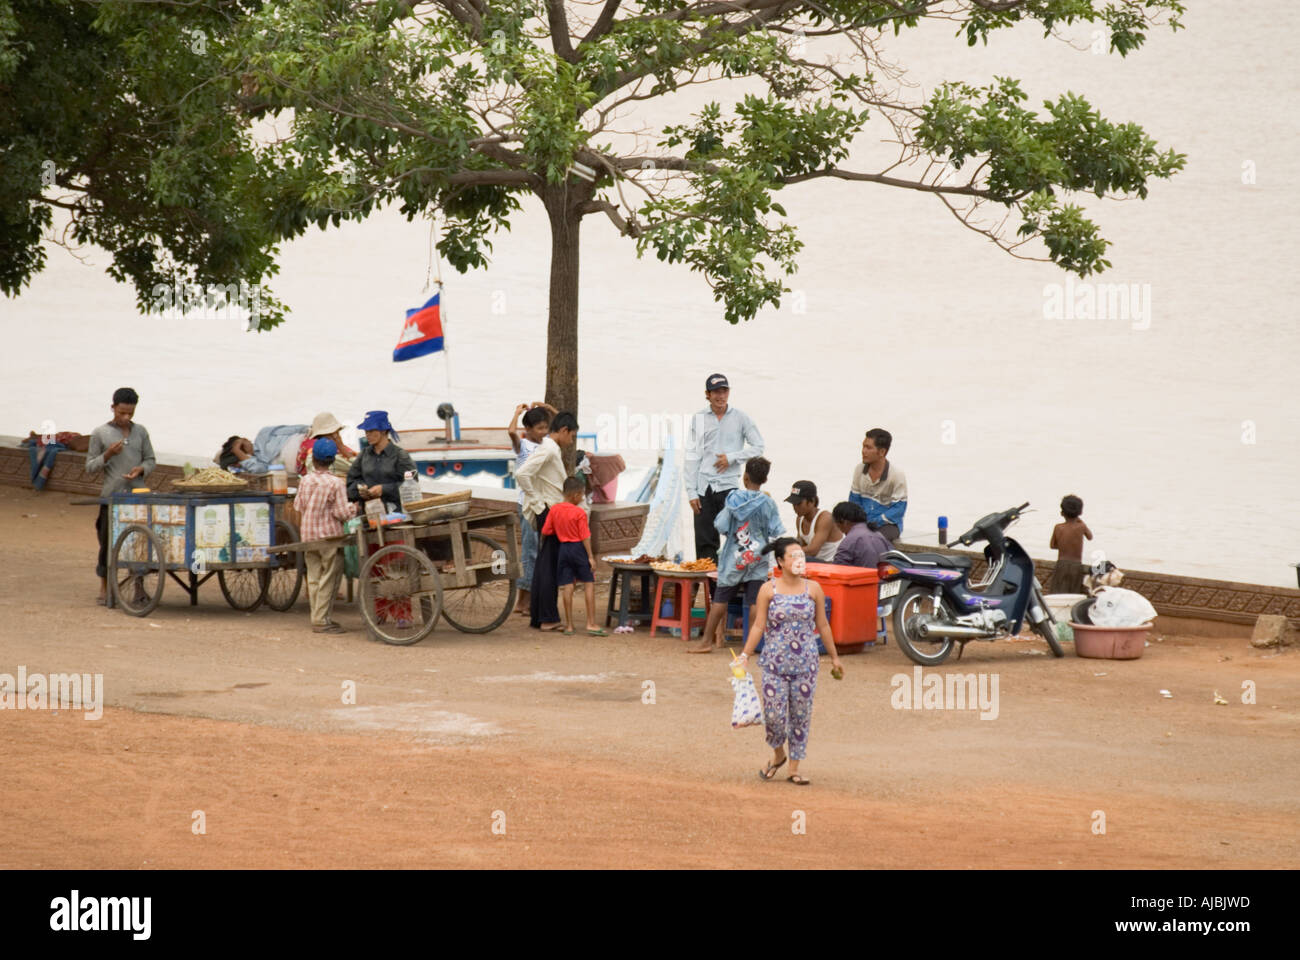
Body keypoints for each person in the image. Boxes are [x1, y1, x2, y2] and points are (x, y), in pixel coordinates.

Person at [736, 537, 841, 786]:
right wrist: (744, 656)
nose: (799, 560)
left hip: (806, 665)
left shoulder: (813, 589)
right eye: (793, 556)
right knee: (773, 716)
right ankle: (778, 755)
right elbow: (759, 625)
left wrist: (835, 657)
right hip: (774, 664)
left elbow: (823, 625)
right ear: (781, 561)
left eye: (801, 555)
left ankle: (794, 768)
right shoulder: (767, 589)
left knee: (800, 715)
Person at [689, 457, 784, 654]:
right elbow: (776, 530)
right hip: (758, 557)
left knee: (720, 600)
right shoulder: (768, 502)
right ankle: (750, 646)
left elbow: (721, 525)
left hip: (734, 557)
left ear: (745, 477)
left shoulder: (733, 499)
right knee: (754, 602)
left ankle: (706, 641)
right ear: (765, 480)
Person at [86, 387, 156, 604]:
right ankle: (105, 588)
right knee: (108, 544)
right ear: (113, 408)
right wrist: (107, 454)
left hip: (137, 496)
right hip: (112, 497)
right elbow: (89, 467)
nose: (126, 418)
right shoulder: (100, 433)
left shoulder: (141, 432)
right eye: (121, 413)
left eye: (130, 414)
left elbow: (151, 459)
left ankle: (138, 589)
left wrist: (140, 470)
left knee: (139, 544)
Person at [684, 373, 764, 562]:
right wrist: (691, 492)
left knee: (737, 539)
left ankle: (731, 588)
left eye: (724, 391)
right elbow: (692, 456)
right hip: (704, 488)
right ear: (707, 394)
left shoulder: (741, 418)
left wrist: (732, 458)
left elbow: (758, 447)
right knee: (705, 544)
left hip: (729, 487)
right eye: (715, 392)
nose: (720, 396)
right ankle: (708, 588)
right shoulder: (699, 418)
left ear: (729, 392)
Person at [515, 411, 579, 631]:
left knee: (545, 563)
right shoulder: (550, 448)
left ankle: (540, 616)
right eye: (571, 436)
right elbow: (522, 474)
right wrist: (537, 502)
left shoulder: (550, 448)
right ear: (563, 431)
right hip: (550, 510)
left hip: (550, 510)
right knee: (550, 564)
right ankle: (548, 618)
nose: (571, 441)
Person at [295, 438, 356, 634]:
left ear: (314, 459)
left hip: (308, 536)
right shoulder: (336, 483)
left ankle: (317, 616)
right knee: (329, 577)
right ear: (332, 460)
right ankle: (322, 620)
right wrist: (354, 508)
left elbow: (299, 506)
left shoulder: (305, 480)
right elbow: (341, 513)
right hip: (329, 538)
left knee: (313, 577)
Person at [543, 477, 608, 636]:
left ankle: (570, 625)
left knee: (567, 585)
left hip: (563, 549)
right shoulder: (579, 512)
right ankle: (590, 623)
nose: (582, 498)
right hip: (579, 548)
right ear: (575, 495)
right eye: (582, 495)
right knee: (588, 583)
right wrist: (591, 557)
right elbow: (585, 536)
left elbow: (546, 531)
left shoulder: (554, 510)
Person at [508, 402, 555, 615]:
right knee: (530, 551)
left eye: (545, 427)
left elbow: (562, 424)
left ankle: (528, 599)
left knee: (537, 550)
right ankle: (523, 601)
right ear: (528, 430)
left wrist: (547, 408)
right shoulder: (524, 446)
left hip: (542, 503)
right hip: (527, 503)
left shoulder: (546, 443)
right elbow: (511, 432)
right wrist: (517, 413)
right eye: (539, 428)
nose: (543, 432)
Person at [346, 411, 416, 509]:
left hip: (395, 514)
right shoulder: (363, 455)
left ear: (383, 431)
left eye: (371, 431)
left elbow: (412, 486)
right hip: (369, 514)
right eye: (366, 431)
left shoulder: (400, 456)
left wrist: (384, 489)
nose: (367, 435)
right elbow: (351, 481)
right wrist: (360, 489)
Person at [849, 428, 907, 542]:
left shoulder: (896, 475)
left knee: (871, 539)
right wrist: (861, 522)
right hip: (863, 522)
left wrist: (875, 522)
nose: (863, 451)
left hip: (888, 525)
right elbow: (854, 501)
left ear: (882, 452)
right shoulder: (859, 470)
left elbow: (899, 509)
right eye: (863, 446)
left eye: (868, 448)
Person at [785, 480, 843, 562]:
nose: (795, 507)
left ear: (812, 501)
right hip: (817, 564)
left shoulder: (825, 518)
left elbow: (813, 550)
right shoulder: (799, 519)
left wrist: (787, 551)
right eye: (793, 504)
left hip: (834, 563)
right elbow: (801, 546)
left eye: (798, 503)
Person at [1049, 494, 1093, 593]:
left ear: (1062, 513)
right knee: (1074, 592)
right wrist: (1081, 521)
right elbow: (1090, 537)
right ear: (1080, 512)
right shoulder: (1081, 527)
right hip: (1076, 565)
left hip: (1061, 564)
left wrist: (1064, 545)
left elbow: (1052, 545)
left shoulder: (1058, 527)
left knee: (1057, 592)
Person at [830, 501, 893, 568]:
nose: (836, 526)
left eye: (836, 522)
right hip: (883, 576)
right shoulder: (879, 535)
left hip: (863, 577)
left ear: (844, 522)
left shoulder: (850, 540)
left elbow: (838, 567)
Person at [294, 413, 357, 477]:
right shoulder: (330, 453)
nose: (338, 436)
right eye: (337, 433)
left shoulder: (307, 444)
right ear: (333, 435)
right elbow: (358, 467)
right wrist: (341, 447)